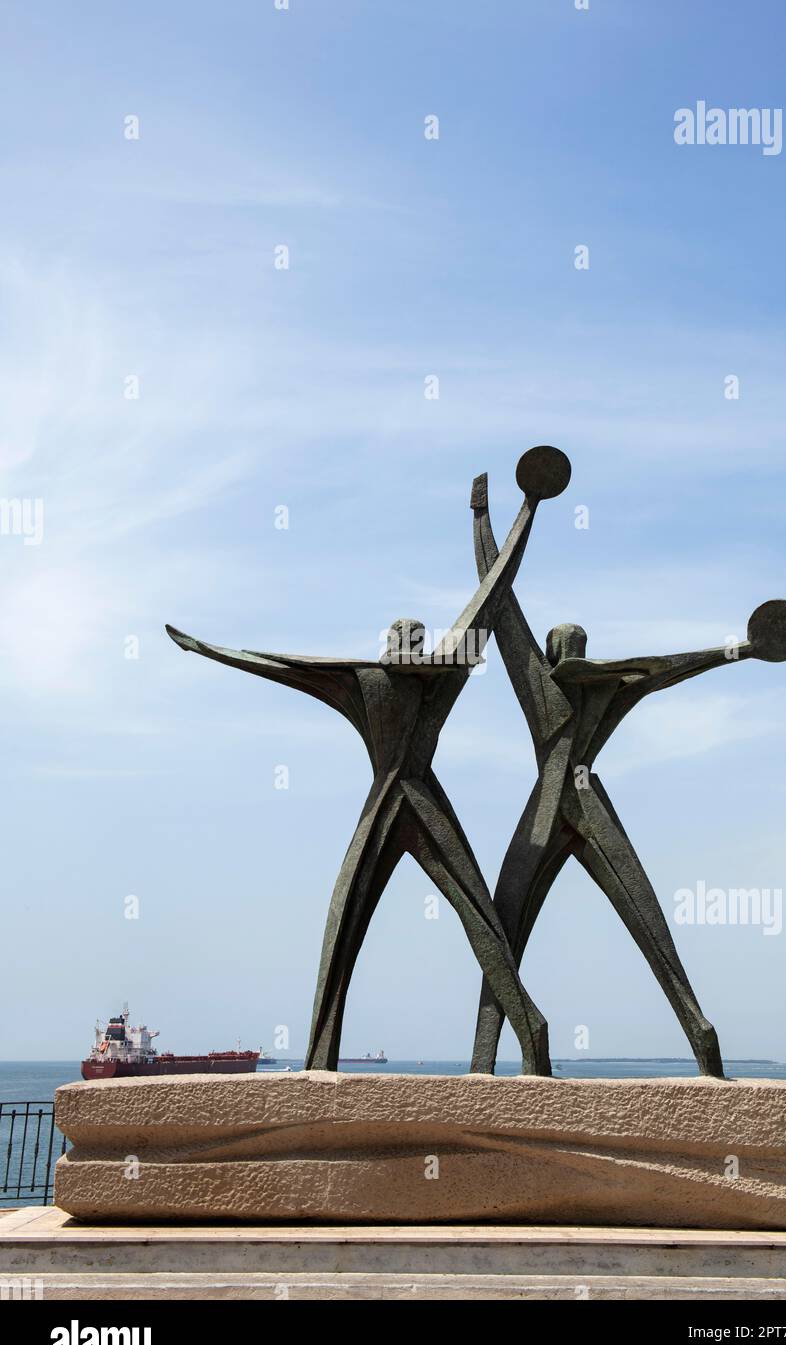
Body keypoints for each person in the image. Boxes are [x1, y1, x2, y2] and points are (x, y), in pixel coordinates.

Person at [167, 446, 571, 1074]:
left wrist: (510, 512)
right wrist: (510, 513)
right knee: (373, 928)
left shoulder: (410, 675)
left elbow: (491, 598)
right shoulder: (427, 673)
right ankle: (326, 1056)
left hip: (401, 800)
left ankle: (523, 1032)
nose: (401, 648)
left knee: (428, 927)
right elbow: (491, 598)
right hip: (412, 798)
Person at [468, 471, 786, 1078]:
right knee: (545, 928)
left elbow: (498, 604)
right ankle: (698, 1042)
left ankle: (486, 1061)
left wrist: (489, 519)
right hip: (581, 796)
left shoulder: (551, 682)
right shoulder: (613, 682)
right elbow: (680, 662)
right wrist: (746, 649)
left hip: (552, 803)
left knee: (507, 932)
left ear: (548, 654)